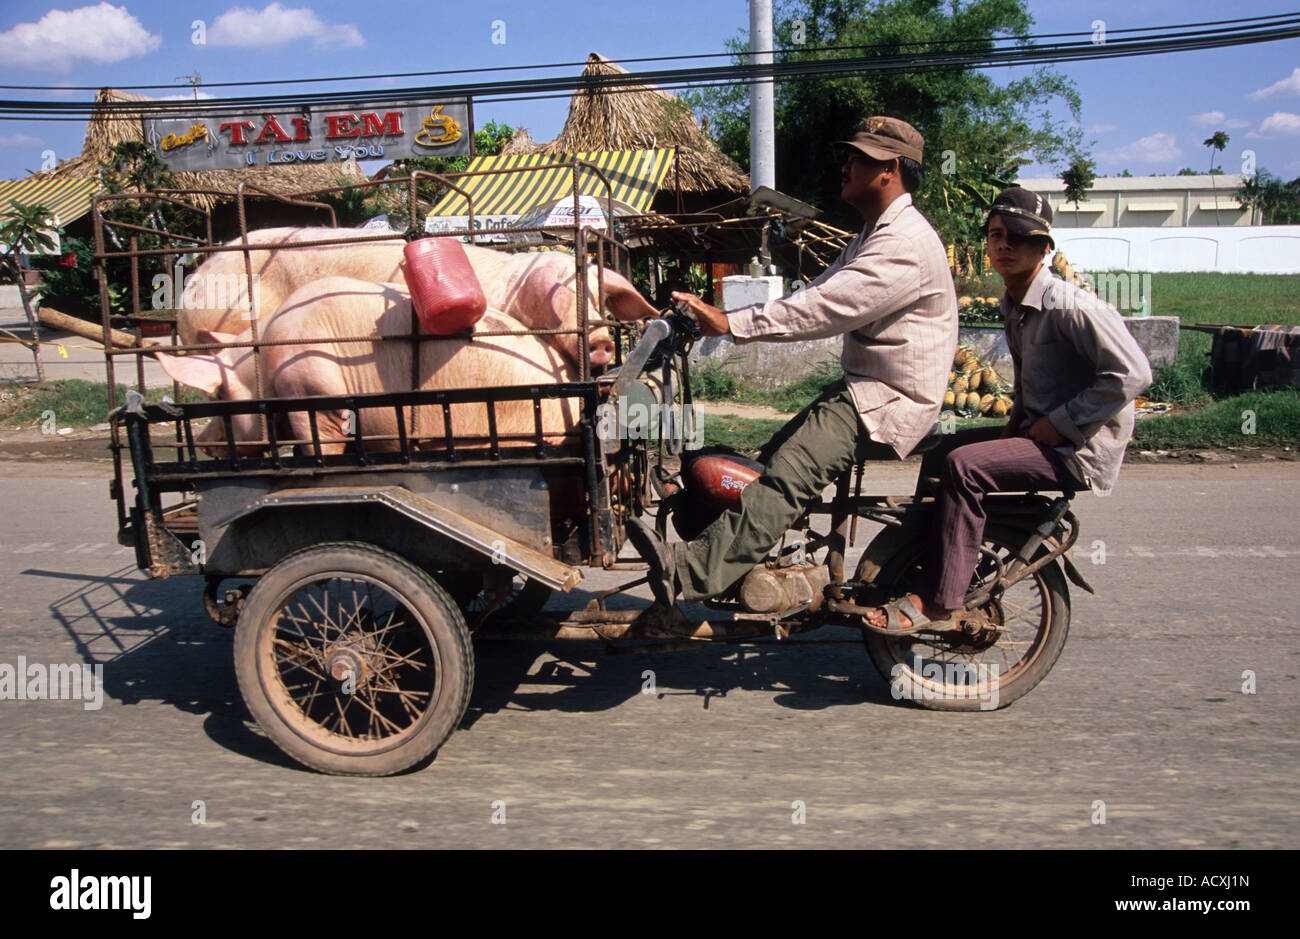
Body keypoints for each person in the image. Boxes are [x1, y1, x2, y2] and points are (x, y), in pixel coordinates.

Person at [628, 115, 958, 607]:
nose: (845, 166)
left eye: (857, 158)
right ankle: (754, 568)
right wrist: (713, 317)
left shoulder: (903, 243)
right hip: (864, 391)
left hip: (889, 402)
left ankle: (688, 576)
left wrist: (731, 323)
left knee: (783, 483)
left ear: (889, 169)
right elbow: (820, 291)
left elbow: (826, 308)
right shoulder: (872, 233)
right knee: (757, 464)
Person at [865, 186, 1152, 631]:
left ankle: (943, 602)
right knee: (944, 448)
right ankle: (923, 561)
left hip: (1077, 449)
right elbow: (1028, 387)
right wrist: (1014, 427)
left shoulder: (1068, 306)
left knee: (965, 467)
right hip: (1043, 433)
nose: (1005, 245)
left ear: (1044, 248)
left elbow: (1133, 375)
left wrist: (1060, 423)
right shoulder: (1016, 303)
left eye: (1019, 236)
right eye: (997, 235)